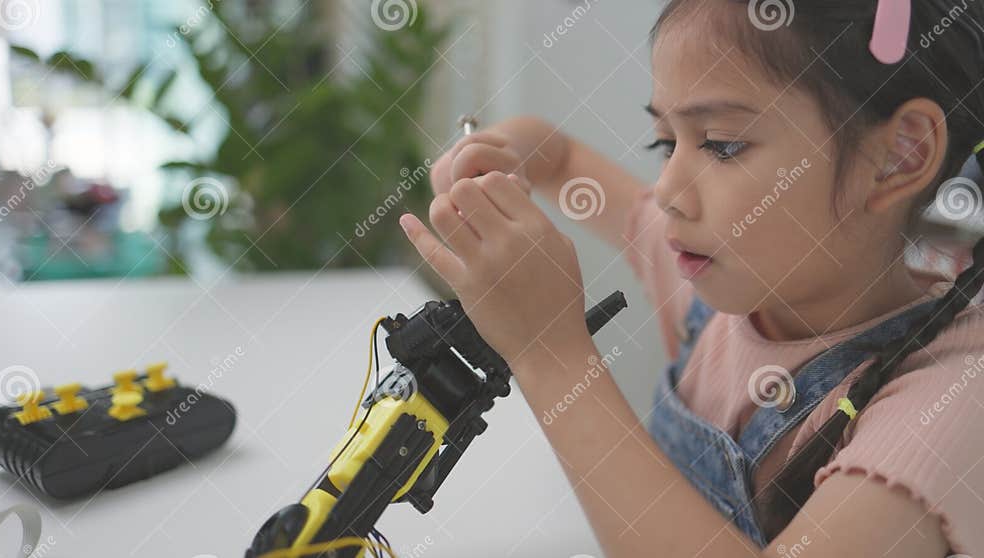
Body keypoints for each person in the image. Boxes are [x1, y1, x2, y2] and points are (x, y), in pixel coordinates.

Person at [398, 1, 984, 555]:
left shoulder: (947, 404)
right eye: (664, 141)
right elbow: (564, 161)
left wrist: (550, 351)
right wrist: (512, 147)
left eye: (723, 145)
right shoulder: (726, 289)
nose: (670, 195)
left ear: (901, 155)